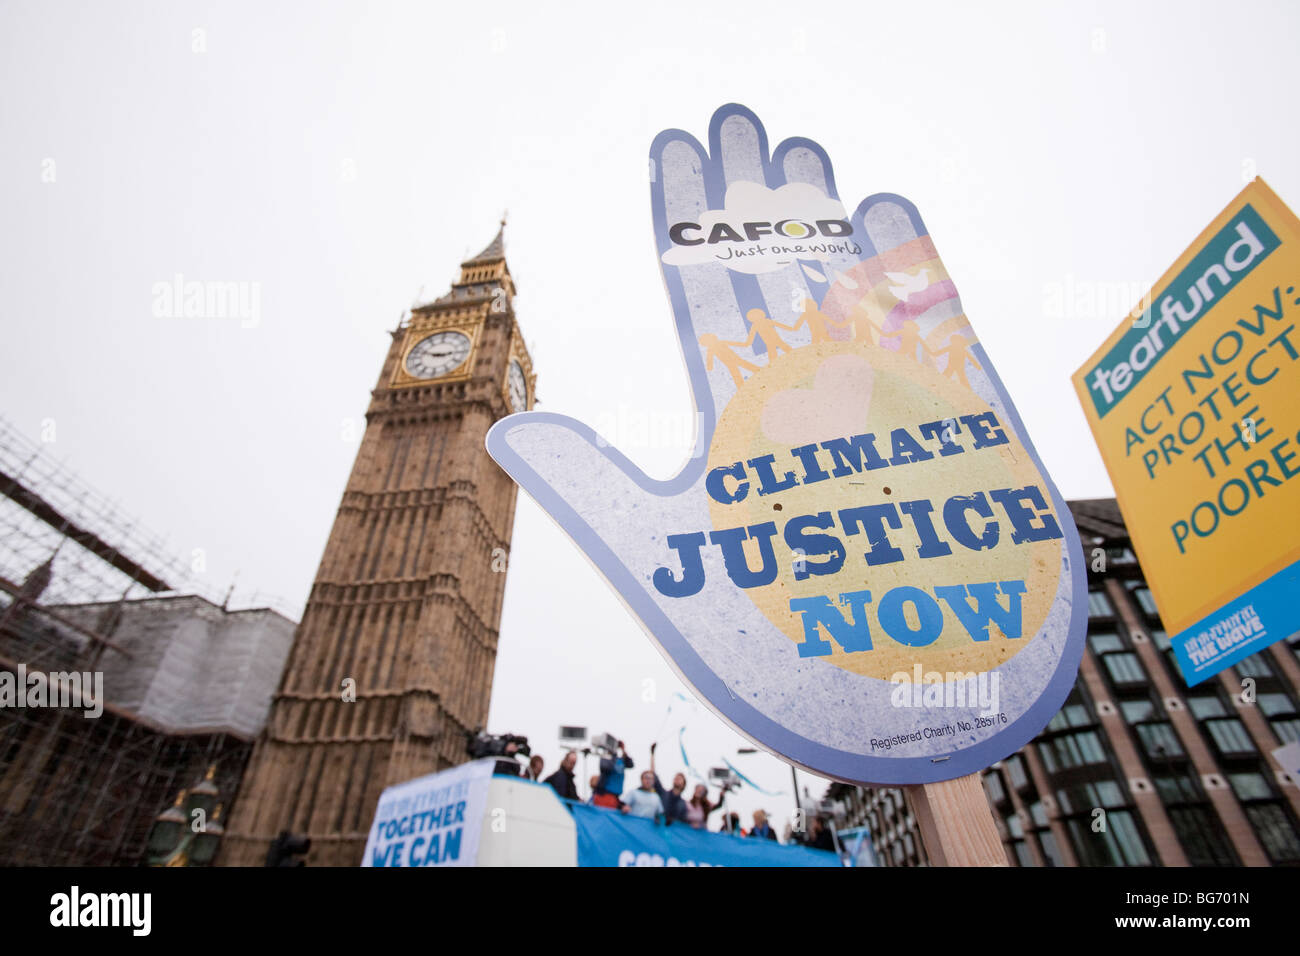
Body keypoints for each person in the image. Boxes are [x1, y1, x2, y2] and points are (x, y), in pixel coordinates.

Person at [648, 743, 689, 825]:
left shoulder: (683, 804)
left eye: (680, 778)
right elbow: (653, 775)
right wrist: (652, 754)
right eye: (675, 777)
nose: (677, 779)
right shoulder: (663, 793)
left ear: (684, 784)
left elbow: (684, 823)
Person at [592, 741, 633, 810]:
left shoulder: (620, 760)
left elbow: (630, 764)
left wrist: (623, 749)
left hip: (615, 797)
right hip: (604, 794)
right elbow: (606, 767)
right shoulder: (606, 758)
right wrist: (612, 753)